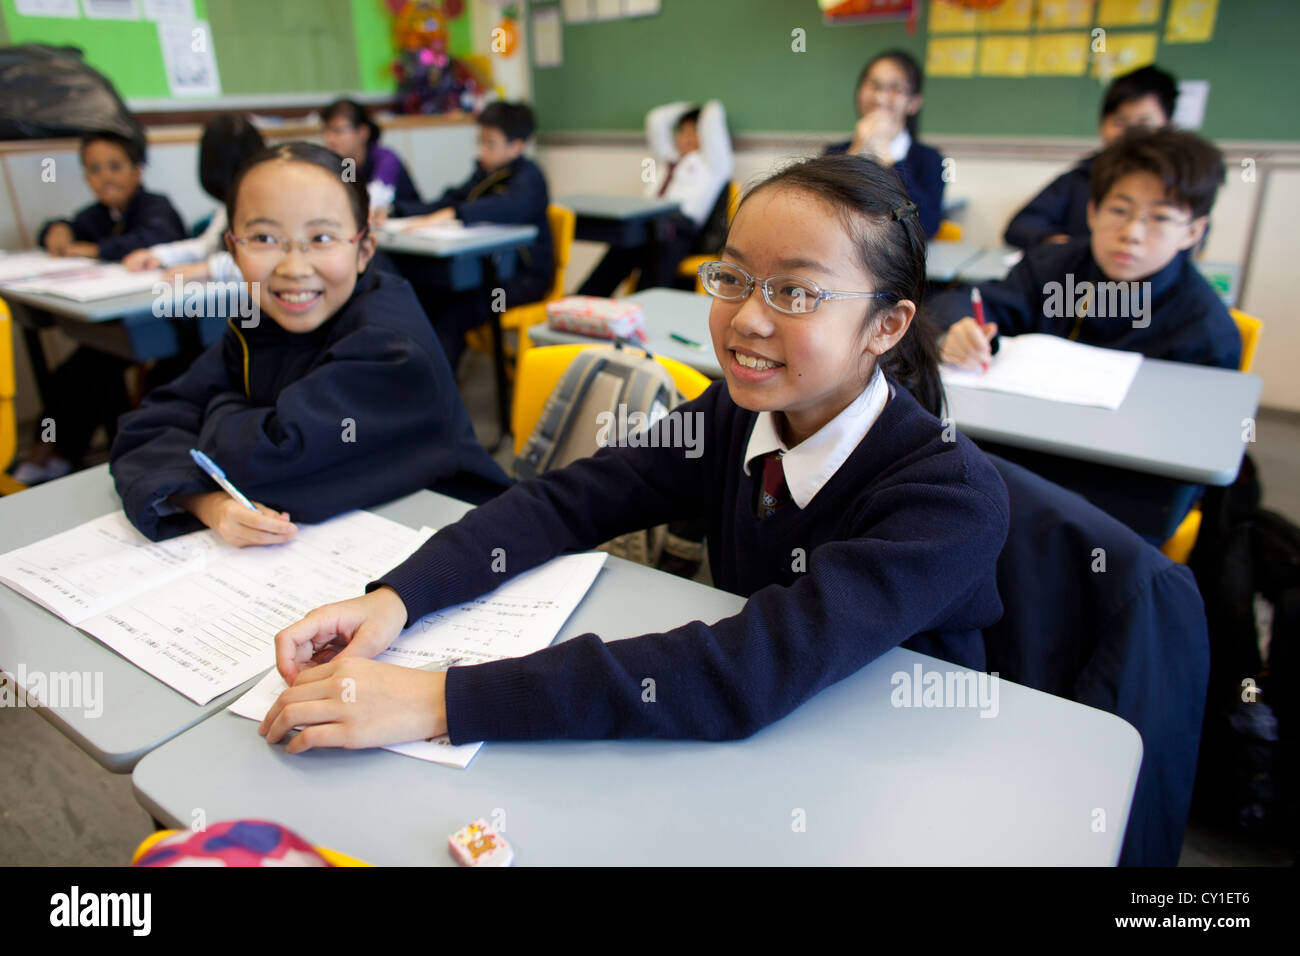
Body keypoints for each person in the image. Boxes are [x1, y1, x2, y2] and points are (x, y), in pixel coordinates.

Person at [256, 154, 1010, 754]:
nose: (747, 319)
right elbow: (571, 499)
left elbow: (746, 670)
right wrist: (397, 598)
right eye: (734, 277)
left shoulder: (948, 499)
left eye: (795, 294)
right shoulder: (737, 414)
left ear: (887, 325)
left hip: (891, 765)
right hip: (770, 745)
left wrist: (440, 700)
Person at [109, 142, 509, 544]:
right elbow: (147, 426)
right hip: (325, 554)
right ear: (232, 249)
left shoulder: (390, 346)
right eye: (264, 237)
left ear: (363, 249)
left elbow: (270, 466)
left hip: (447, 544)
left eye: (320, 237)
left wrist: (217, 409)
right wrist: (207, 503)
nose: (293, 268)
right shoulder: (259, 322)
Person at [934, 127, 1240, 372]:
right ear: (1093, 212)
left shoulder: (1207, 331)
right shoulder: (1051, 266)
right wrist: (957, 331)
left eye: (1160, 217)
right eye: (1120, 211)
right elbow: (969, 301)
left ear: (1192, 232)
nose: (1131, 233)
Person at [12, 131, 187, 485]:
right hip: (115, 323)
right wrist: (56, 230)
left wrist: (91, 249)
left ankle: (55, 454)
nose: (106, 176)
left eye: (115, 166)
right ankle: (59, 455)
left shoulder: (155, 205)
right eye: (94, 169)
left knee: (91, 366)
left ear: (137, 171)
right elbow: (65, 229)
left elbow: (154, 240)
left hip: (167, 322)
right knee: (83, 369)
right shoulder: (96, 215)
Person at [389, 101, 553, 370]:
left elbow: (507, 206)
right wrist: (398, 211)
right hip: (485, 272)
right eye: (480, 141)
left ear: (516, 146)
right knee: (426, 297)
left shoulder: (529, 176)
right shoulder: (484, 173)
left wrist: (455, 213)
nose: (480, 151)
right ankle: (421, 380)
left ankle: (439, 397)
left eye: (490, 144)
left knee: (453, 313)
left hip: (523, 279)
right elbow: (449, 200)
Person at [1004, 65, 1179, 250]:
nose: (1130, 133)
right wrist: (1062, 245)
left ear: (1167, 125)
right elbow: (1022, 225)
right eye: (1120, 122)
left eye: (1144, 123)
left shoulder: (1178, 185)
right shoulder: (1080, 177)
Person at [576, 100, 733, 296]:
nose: (687, 138)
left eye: (695, 131)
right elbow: (655, 120)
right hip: (647, 223)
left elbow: (713, 112)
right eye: (682, 131)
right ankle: (584, 299)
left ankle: (643, 306)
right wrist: (686, 108)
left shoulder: (712, 164)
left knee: (657, 250)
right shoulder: (666, 159)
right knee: (622, 244)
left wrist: (698, 109)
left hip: (680, 230)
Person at [122, 113, 265, 284]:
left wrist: (207, 269)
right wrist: (158, 254)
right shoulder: (228, 205)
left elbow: (267, 257)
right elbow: (208, 245)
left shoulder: (270, 207)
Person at [825, 50, 944, 238]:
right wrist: (855, 153)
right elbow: (822, 214)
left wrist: (888, 160)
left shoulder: (928, 159)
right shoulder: (835, 152)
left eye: (895, 89)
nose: (880, 98)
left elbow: (927, 226)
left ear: (913, 102)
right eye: (874, 85)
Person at [321, 98, 420, 216]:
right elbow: (346, 200)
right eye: (327, 130)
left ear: (363, 132)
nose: (329, 139)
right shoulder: (347, 164)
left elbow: (375, 199)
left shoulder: (385, 157)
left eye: (338, 131)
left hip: (408, 221)